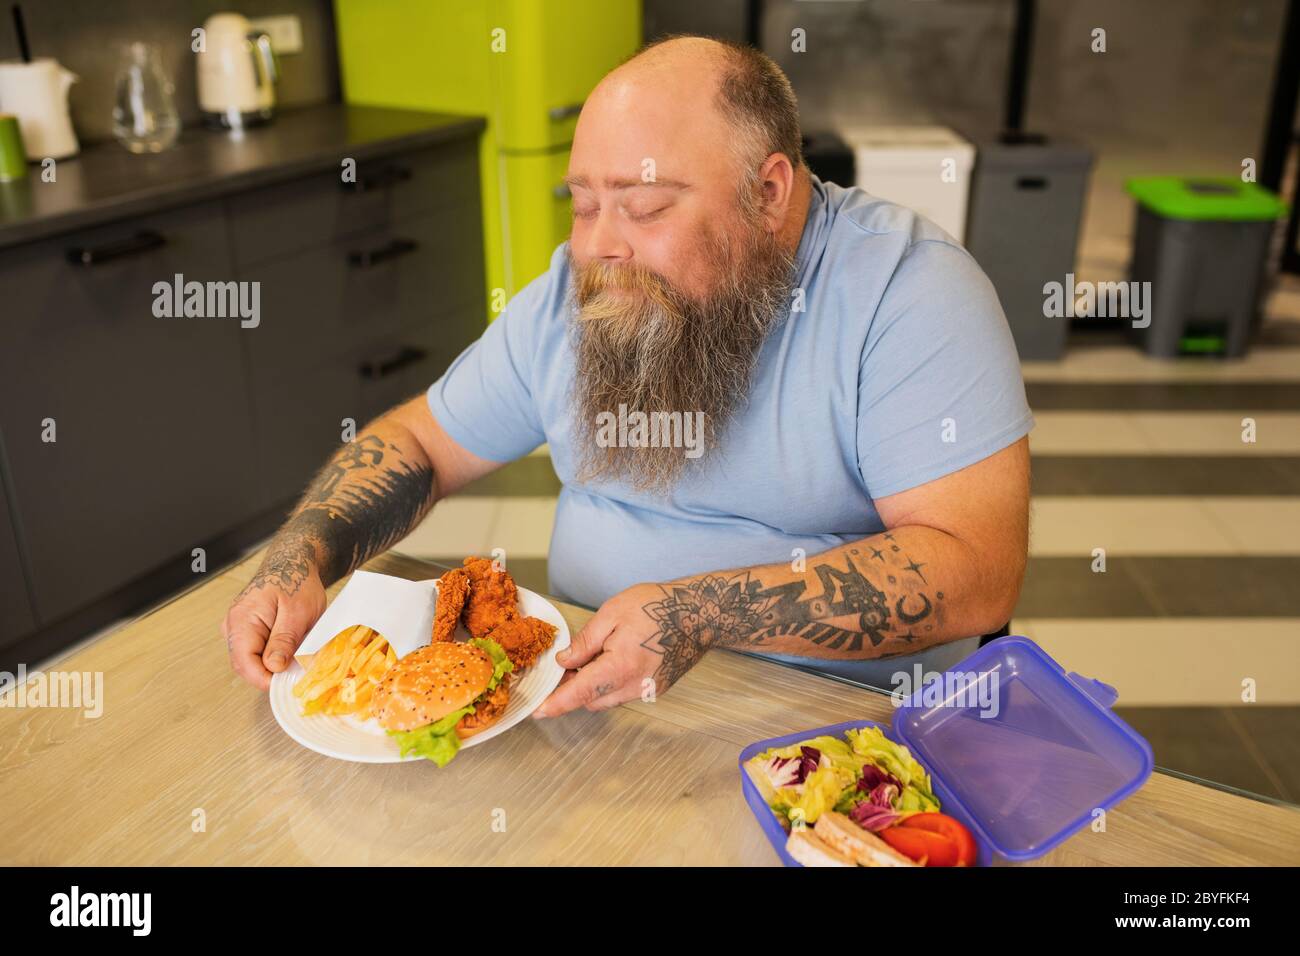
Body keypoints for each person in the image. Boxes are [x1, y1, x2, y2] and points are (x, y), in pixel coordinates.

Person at [223, 35, 1032, 719]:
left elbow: (974, 573)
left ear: (770, 192)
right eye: (581, 205)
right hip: (590, 703)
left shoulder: (911, 292)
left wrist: (697, 612)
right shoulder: (579, 296)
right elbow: (421, 443)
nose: (599, 247)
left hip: (840, 722)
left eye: (643, 207)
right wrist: (305, 550)